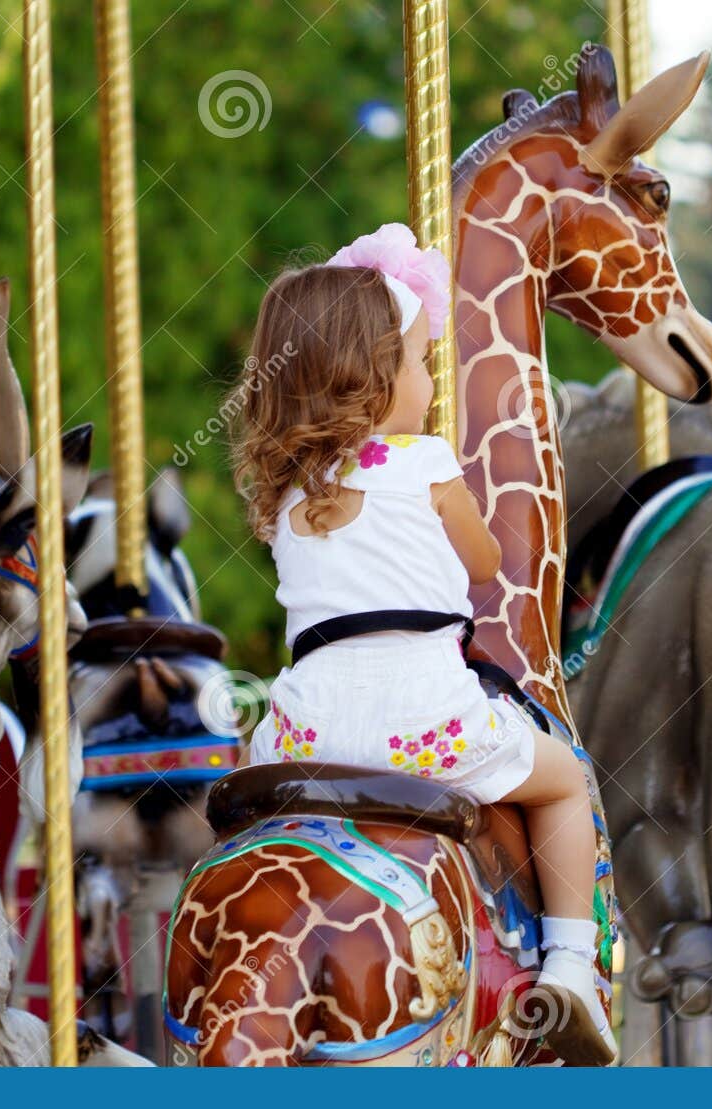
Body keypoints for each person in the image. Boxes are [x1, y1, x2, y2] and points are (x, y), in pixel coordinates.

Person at [230, 223, 615, 1065]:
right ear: (372, 379)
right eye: (418, 361)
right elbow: (483, 562)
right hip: (423, 720)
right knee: (564, 780)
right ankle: (573, 968)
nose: (431, 380)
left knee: (240, 803)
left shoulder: (286, 491)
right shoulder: (425, 460)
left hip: (303, 731)